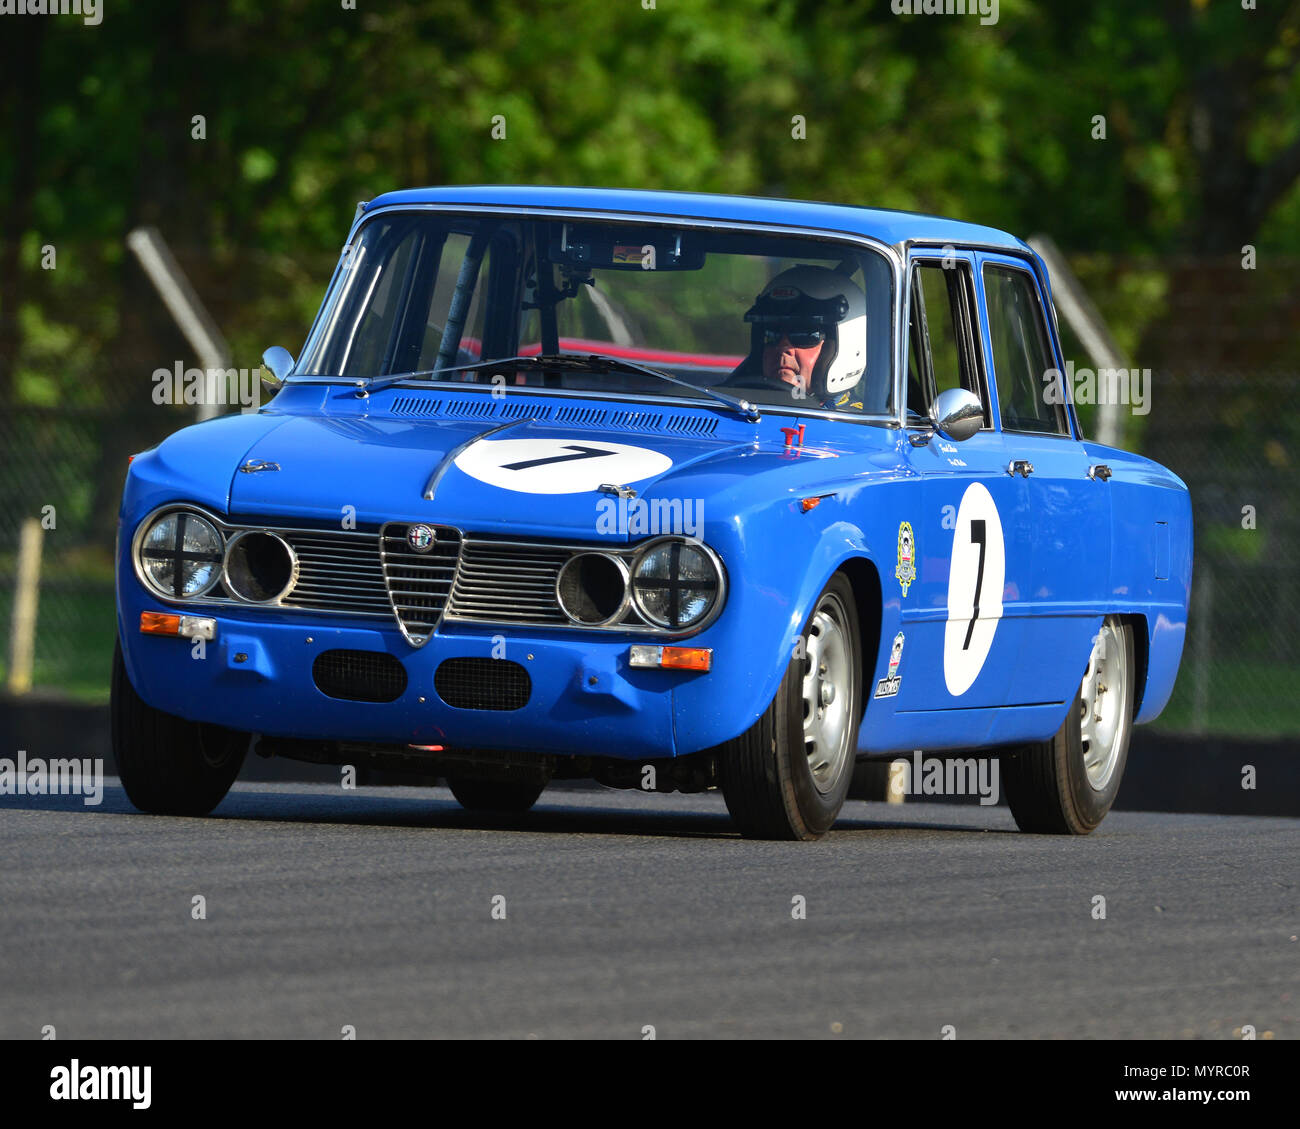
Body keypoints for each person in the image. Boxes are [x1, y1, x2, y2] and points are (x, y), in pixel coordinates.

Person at [724, 265, 867, 410]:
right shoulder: (730, 406)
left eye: (804, 336)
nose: (783, 348)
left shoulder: (857, 422)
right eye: (771, 335)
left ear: (846, 346)